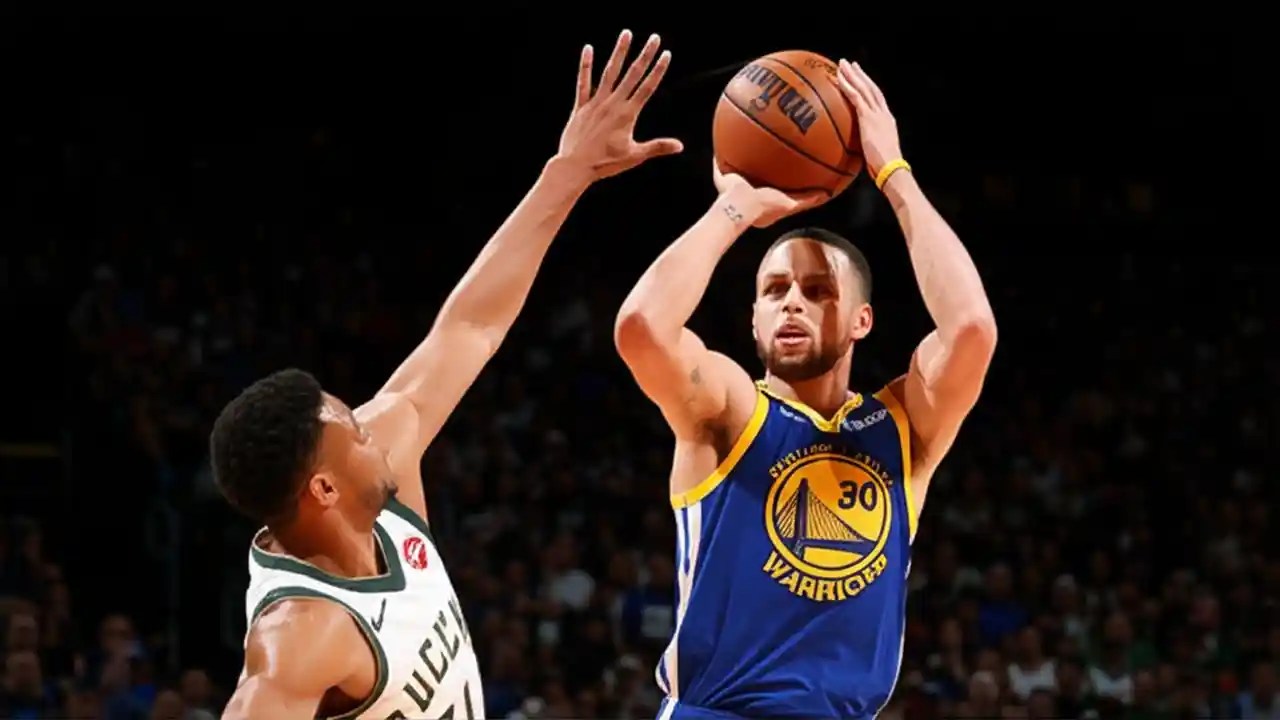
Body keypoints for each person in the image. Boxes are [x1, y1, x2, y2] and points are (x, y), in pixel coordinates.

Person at [214, 29, 683, 720]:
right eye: (355, 434)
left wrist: (569, 171)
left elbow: (470, 327)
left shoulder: (383, 457)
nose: (373, 428)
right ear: (322, 487)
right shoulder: (301, 635)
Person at [614, 60, 997, 719]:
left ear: (860, 321)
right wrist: (735, 206)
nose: (793, 303)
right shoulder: (729, 411)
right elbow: (642, 327)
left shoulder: (902, 427)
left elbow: (970, 329)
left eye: (818, 292)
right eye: (775, 291)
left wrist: (894, 177)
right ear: (754, 318)